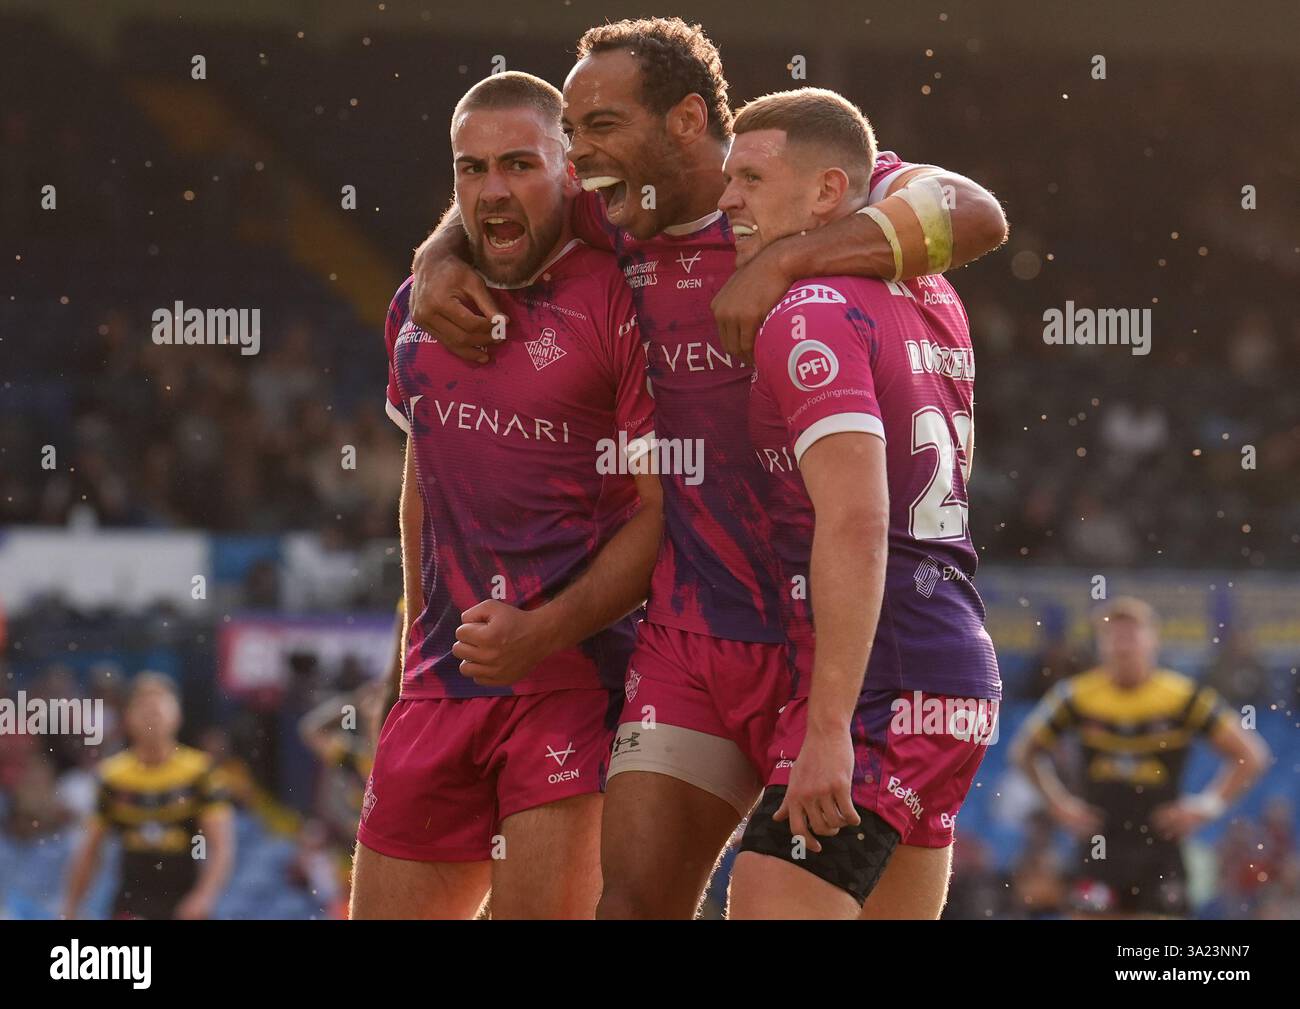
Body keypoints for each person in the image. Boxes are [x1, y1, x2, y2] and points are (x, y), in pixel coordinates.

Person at [409, 17, 1008, 919]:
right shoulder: (612, 205)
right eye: (570, 133)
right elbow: (503, 207)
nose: (580, 156)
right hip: (696, 629)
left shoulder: (809, 193)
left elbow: (980, 215)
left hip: (838, 635)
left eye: (600, 127)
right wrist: (435, 255)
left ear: (687, 121)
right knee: (634, 901)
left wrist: (787, 262)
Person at [349, 71, 661, 920]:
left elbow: (662, 513)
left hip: (575, 681)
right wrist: (403, 662)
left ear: (570, 172)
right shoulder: (422, 302)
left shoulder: (625, 294)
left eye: (520, 164)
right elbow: (423, 482)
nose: (493, 190)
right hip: (438, 683)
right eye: (471, 169)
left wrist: (542, 633)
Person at [716, 88, 1001, 918]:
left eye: (752, 180)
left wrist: (829, 725)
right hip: (950, 670)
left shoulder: (808, 311)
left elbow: (857, 520)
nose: (727, 200)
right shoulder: (930, 286)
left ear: (829, 194)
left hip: (878, 680)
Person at [1012, 596, 1272, 918]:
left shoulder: (1183, 697)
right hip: (1100, 844)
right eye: (1114, 636)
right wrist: (1058, 804)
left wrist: (1207, 806)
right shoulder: (1076, 696)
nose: (1123, 645)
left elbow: (1251, 755)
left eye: (1132, 634)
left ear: (1153, 641)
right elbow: (1024, 751)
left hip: (1160, 845)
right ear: (1101, 644)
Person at [63, 672, 234, 920]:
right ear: (128, 718)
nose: (152, 715)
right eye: (143, 708)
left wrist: (203, 896)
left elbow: (220, 847)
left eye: (159, 707)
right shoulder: (112, 776)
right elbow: (90, 850)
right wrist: (71, 906)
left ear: (178, 715)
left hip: (184, 898)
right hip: (132, 899)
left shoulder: (201, 773)